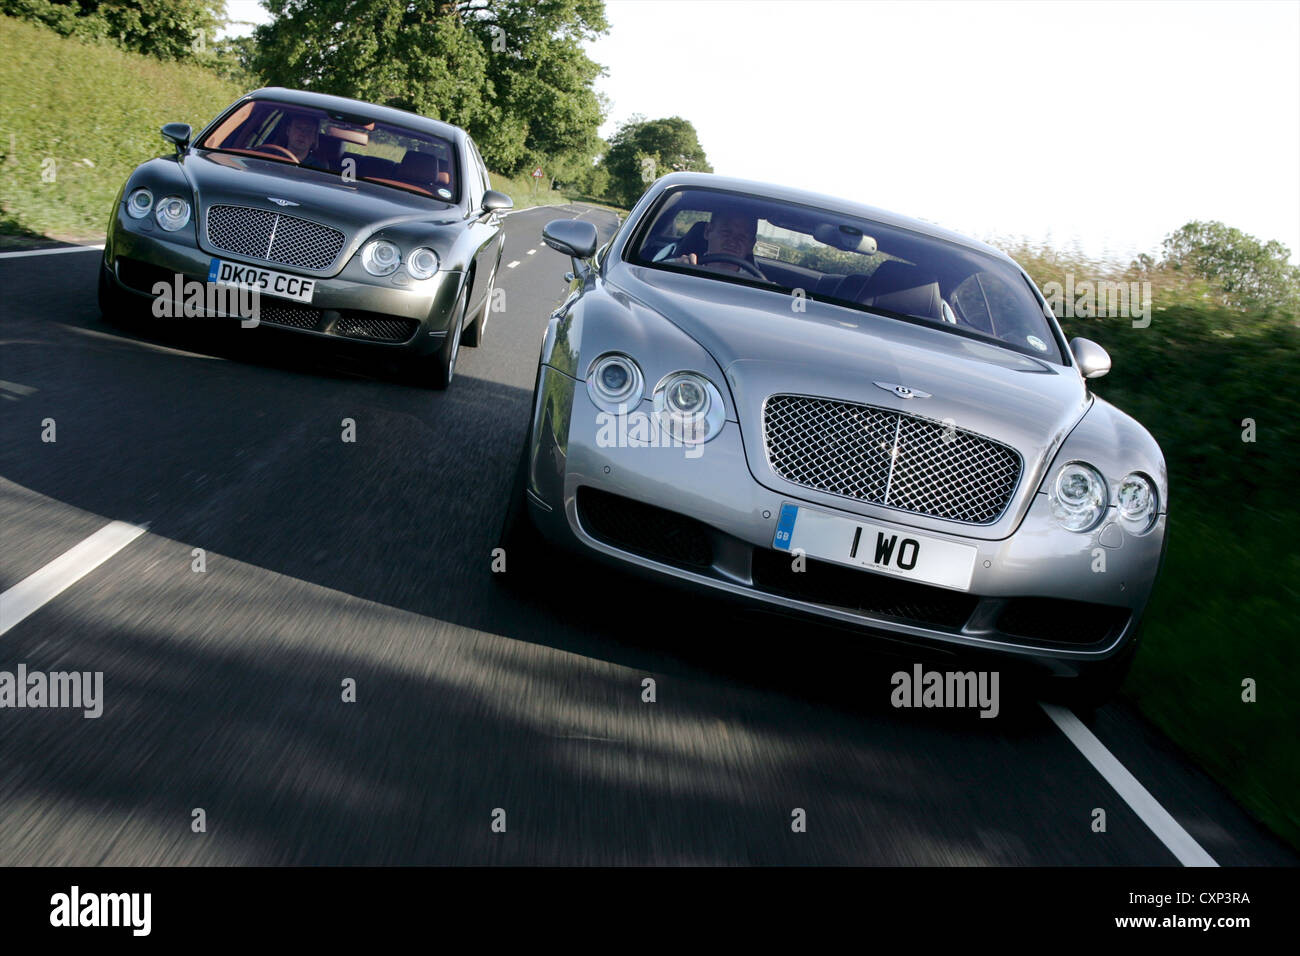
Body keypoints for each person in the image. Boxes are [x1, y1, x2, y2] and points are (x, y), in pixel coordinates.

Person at [666, 208, 766, 278]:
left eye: (742, 237)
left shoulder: (758, 286)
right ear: (708, 231)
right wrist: (674, 269)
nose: (732, 242)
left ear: (751, 245)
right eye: (726, 233)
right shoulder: (681, 268)